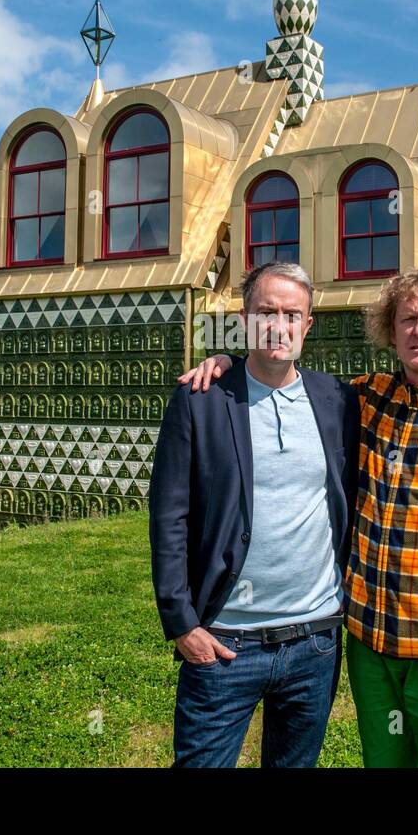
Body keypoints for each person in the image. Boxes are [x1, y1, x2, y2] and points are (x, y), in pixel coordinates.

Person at [180, 263, 418, 767]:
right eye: (408, 319)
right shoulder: (362, 399)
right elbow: (279, 370)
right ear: (389, 329)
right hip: (371, 640)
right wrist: (226, 363)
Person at [149, 261, 359, 767]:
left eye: (292, 314)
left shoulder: (338, 400)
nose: (278, 326)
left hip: (315, 641)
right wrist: (181, 623)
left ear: (308, 325)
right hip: (223, 643)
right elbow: (169, 515)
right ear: (244, 318)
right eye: (266, 311)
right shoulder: (201, 399)